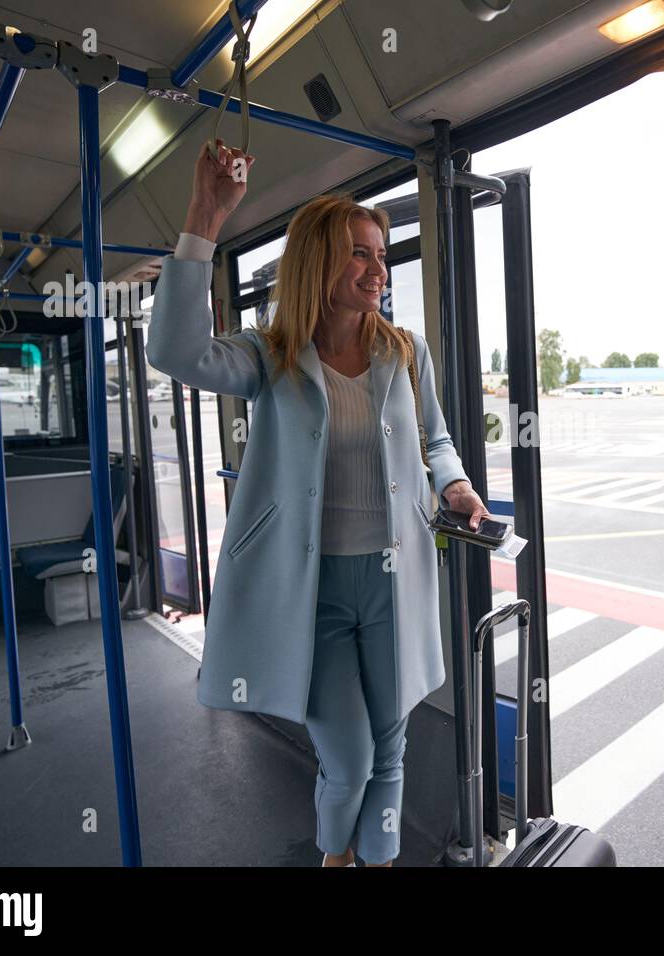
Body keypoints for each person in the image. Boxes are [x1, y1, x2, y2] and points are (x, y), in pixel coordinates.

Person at [146, 139, 489, 868]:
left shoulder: (406, 352)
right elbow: (175, 351)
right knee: (352, 755)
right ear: (318, 264)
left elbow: (436, 442)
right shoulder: (269, 355)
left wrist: (453, 483)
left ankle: (382, 858)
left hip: (395, 584)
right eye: (359, 253)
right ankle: (336, 857)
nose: (377, 267)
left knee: (391, 750)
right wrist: (206, 215)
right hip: (316, 591)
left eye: (381, 253)